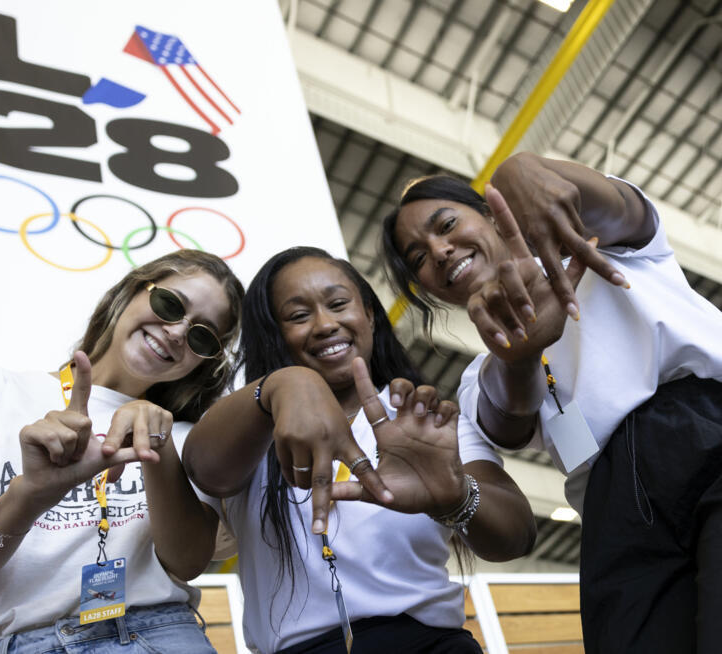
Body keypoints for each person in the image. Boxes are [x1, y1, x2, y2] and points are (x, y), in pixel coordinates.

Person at [381, 152, 722, 653]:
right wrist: (520, 355)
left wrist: (522, 171)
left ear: (492, 213)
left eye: (446, 224)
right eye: (419, 257)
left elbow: (621, 208)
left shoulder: (598, 247)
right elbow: (506, 421)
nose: (439, 251)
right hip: (615, 501)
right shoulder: (480, 377)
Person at [0, 249, 244, 654]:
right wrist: (32, 492)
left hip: (157, 635)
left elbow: (187, 563)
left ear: (206, 361)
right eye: (170, 305)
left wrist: (159, 450)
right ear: (133, 292)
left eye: (201, 336)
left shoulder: (189, 438)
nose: (177, 332)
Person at [182, 246, 535, 653]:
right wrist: (282, 385)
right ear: (274, 334)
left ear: (369, 313)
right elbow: (203, 468)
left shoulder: (423, 420)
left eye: (338, 304)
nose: (325, 324)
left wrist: (456, 496)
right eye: (298, 316)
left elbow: (517, 537)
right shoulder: (248, 422)